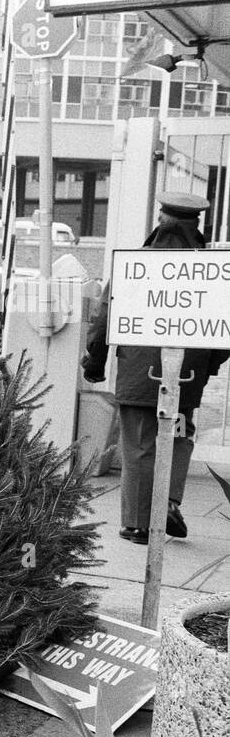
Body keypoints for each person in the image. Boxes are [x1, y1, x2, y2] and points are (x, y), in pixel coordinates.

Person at [81, 191, 230, 545]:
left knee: (138, 445)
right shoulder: (209, 269)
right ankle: (169, 503)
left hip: (138, 374)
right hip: (186, 374)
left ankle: (136, 524)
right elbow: (224, 333)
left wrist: (95, 362)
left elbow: (105, 318)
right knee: (178, 436)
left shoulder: (137, 265)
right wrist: (207, 367)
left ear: (160, 220)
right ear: (197, 224)